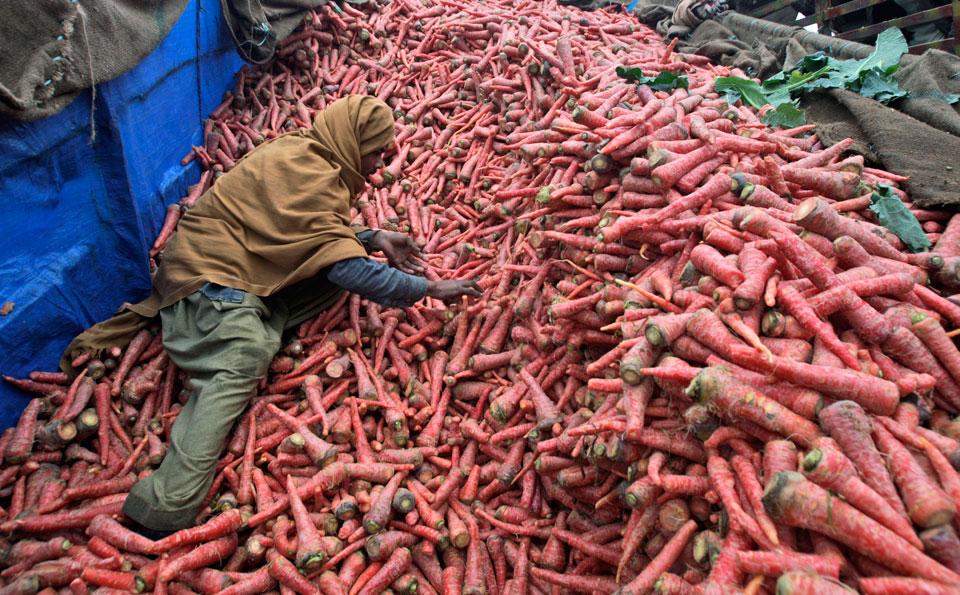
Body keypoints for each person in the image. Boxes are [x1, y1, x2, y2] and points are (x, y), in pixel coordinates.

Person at [59, 95, 481, 537]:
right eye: (375, 152)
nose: (376, 166)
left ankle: (255, 310)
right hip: (206, 277)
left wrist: (373, 236)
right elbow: (342, 263)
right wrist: (428, 288)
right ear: (352, 140)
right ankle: (161, 508)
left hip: (233, 259)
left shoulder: (312, 155)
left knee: (335, 267)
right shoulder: (309, 171)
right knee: (243, 356)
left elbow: (301, 233)